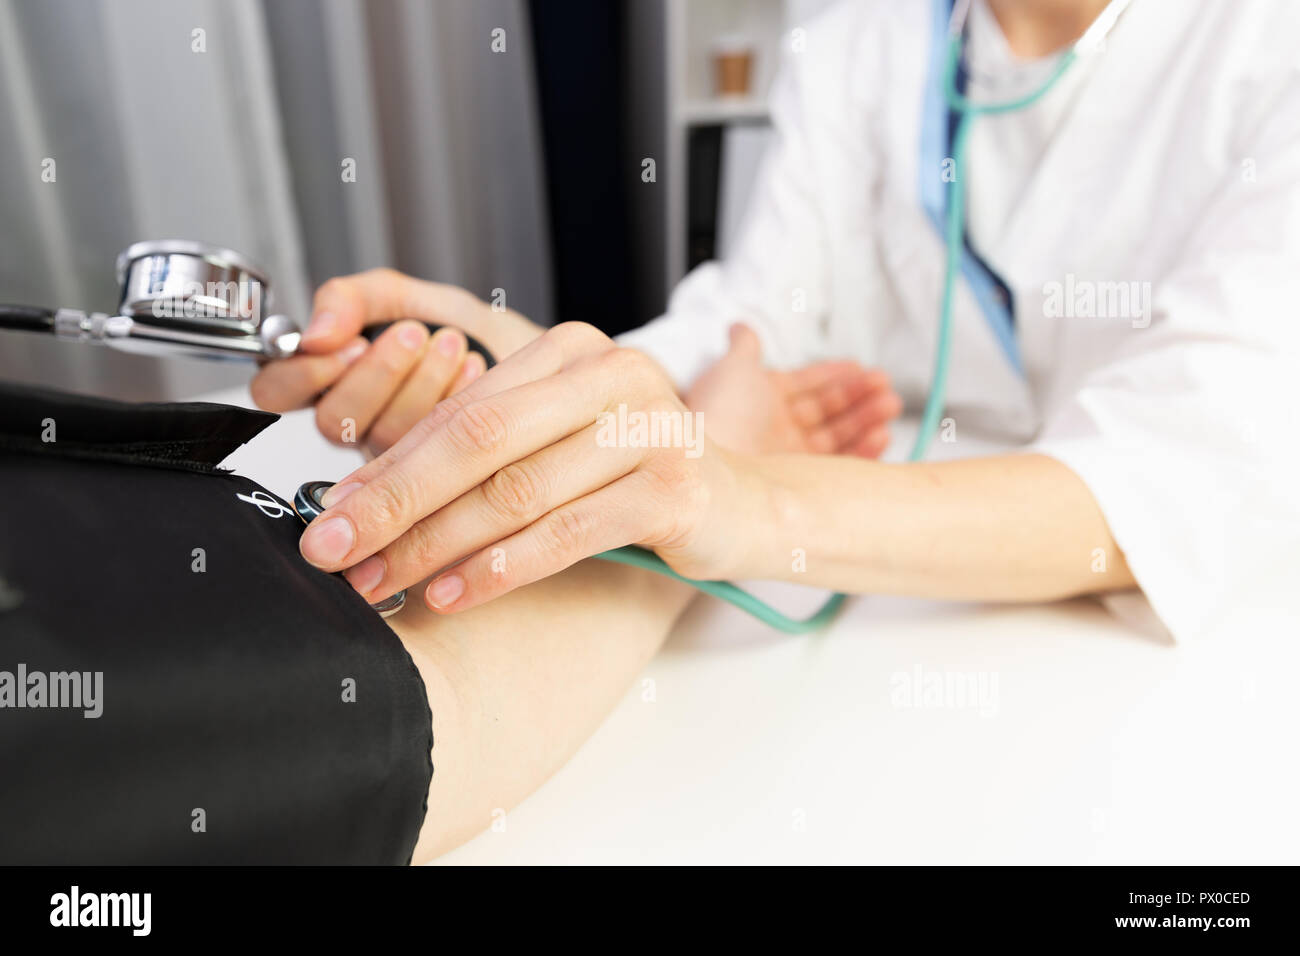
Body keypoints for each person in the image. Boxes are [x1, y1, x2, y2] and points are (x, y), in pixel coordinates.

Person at [250, 0, 1300, 643]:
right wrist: (521, 381)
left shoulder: (1267, 48)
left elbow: (1172, 480)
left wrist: (738, 494)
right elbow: (754, 316)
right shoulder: (859, 42)